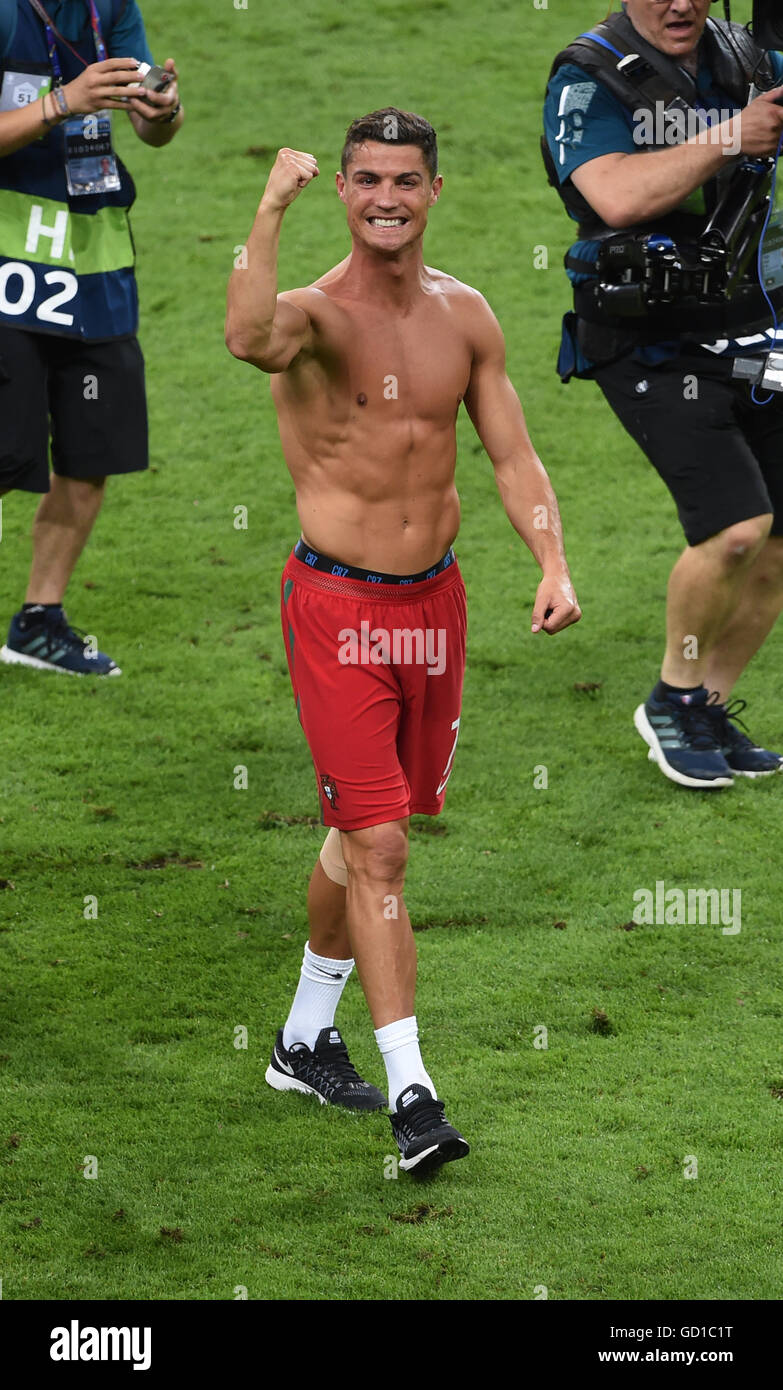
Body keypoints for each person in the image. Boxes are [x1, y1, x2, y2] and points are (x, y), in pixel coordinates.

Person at [226, 109, 581, 1175]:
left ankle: (300, 1039)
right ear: (342, 187)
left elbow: (512, 455)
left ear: (435, 191)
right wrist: (268, 204)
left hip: (436, 611)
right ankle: (413, 1095)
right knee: (382, 846)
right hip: (338, 612)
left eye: (407, 180)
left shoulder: (464, 316)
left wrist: (552, 560)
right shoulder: (311, 318)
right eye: (368, 178)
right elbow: (245, 338)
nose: (388, 196)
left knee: (357, 833)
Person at [543, 0, 783, 788]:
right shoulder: (586, 76)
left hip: (750, 330)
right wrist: (730, 137)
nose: (678, 4)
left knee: (780, 537)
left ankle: (707, 705)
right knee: (736, 529)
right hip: (647, 339)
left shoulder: (741, 55)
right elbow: (614, 195)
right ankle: (670, 698)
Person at [0, 0, 183, 675]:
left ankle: (37, 621)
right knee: (5, 449)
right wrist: (60, 104)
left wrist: (160, 112)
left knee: (91, 448)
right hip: (4, 262)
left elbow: (151, 131)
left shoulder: (113, 8)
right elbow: (64, 104)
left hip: (93, 262)